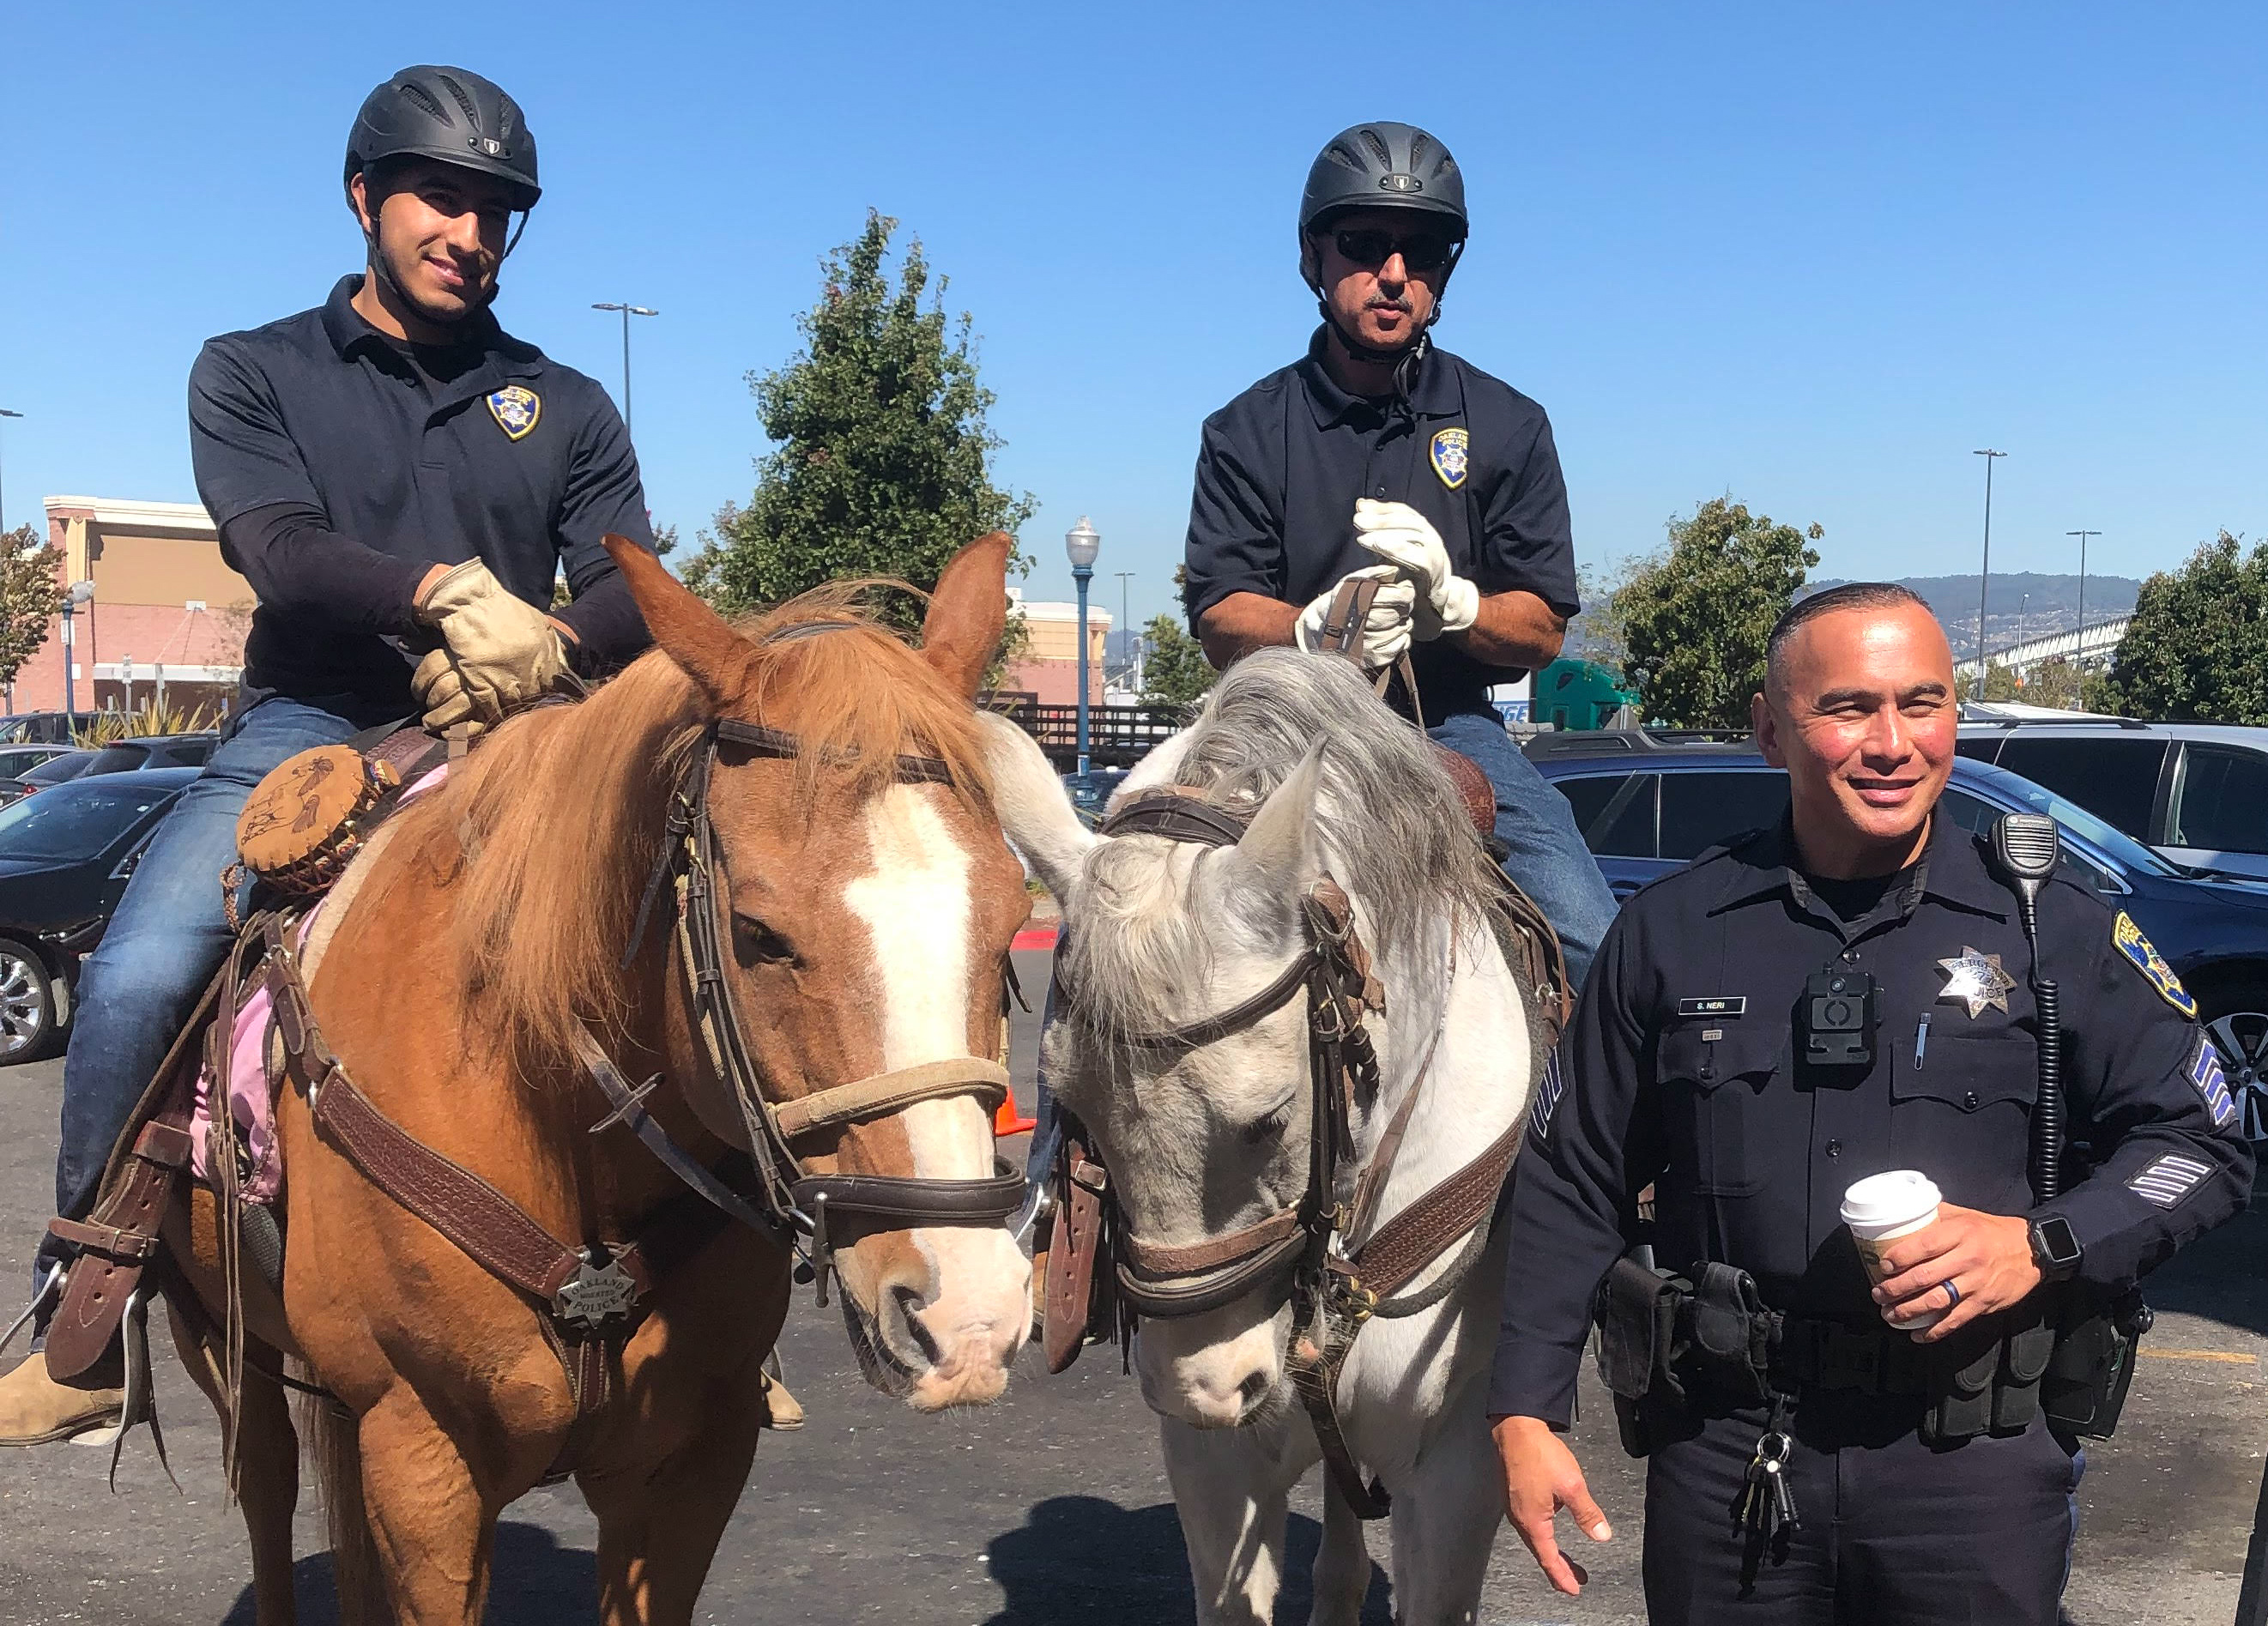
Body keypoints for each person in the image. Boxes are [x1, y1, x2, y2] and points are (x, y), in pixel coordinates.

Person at [0, 64, 660, 1444]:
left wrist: (539, 633)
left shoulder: (567, 398)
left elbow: (629, 572)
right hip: (311, 726)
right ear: (364, 197)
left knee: (677, 929)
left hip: (515, 727)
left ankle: (714, 1303)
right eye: (440, 198)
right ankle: (91, 1303)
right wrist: (436, 595)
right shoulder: (253, 370)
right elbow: (279, 548)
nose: (467, 232)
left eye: (495, 213)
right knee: (133, 971)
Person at [1487, 583, 2254, 1623]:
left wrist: (2043, 1243)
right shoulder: (1671, 931)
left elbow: (2204, 1140)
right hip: (1735, 1451)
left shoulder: (2052, 929)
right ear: (1770, 728)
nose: (1892, 741)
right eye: (1849, 706)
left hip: (1971, 1461)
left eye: (1923, 702)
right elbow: (1571, 1177)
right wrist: (1525, 1408)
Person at [1180, 119, 1618, 989]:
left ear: (1444, 271)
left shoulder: (1507, 424)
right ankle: (1064, 1133)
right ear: (1314, 256)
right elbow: (1222, 610)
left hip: (1446, 723)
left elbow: (1541, 628)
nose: (1393, 273)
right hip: (1282, 715)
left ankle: (1592, 1122)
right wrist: (1308, 630)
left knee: (1597, 938)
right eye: (1365, 244)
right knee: (1128, 901)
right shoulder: (1245, 430)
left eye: (1420, 251)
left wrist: (1454, 606)